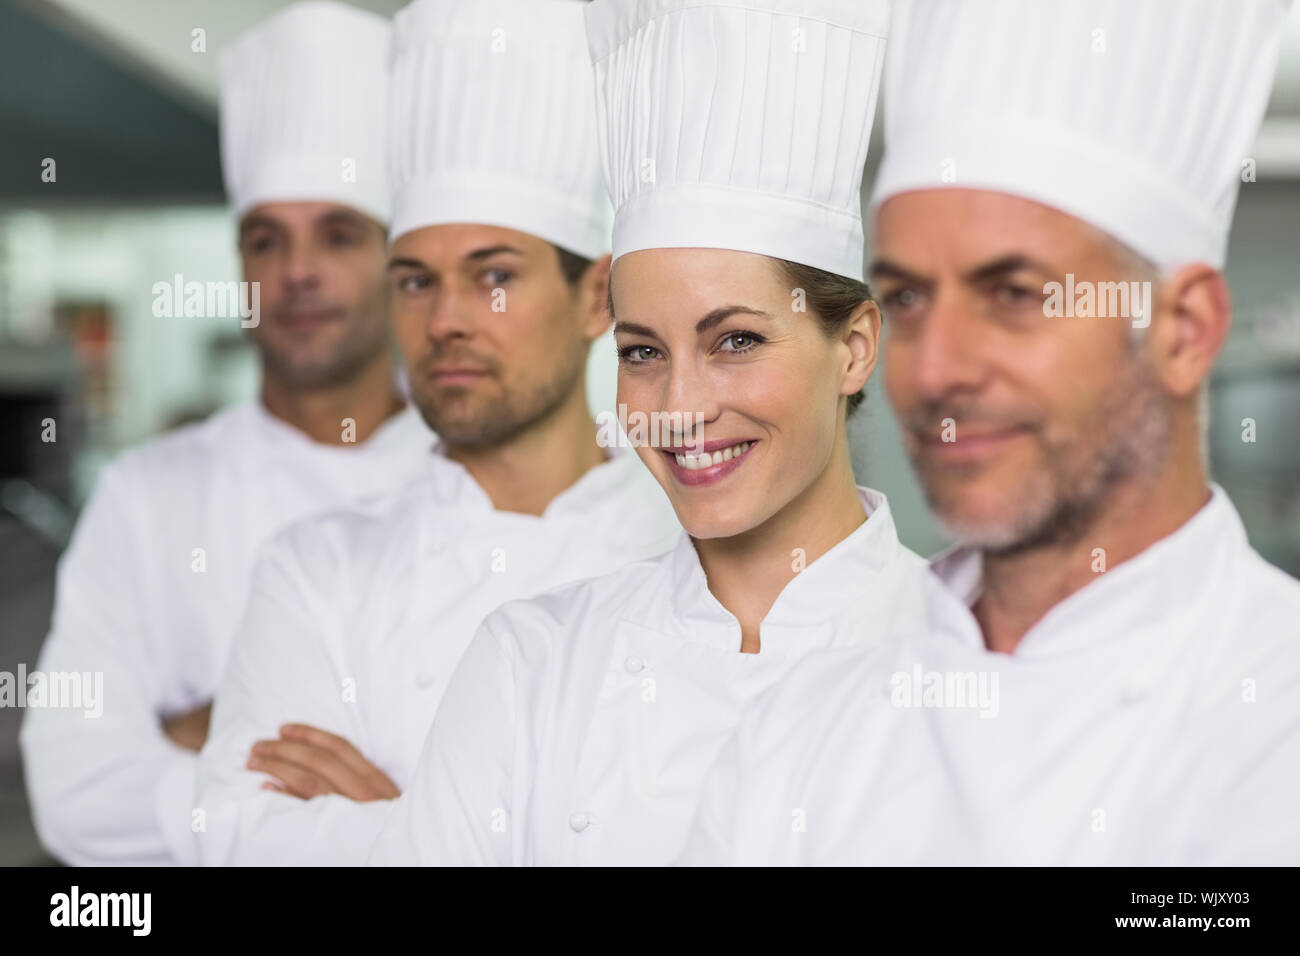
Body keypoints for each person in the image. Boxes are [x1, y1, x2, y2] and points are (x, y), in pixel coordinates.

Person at [684, 0, 1300, 866]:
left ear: (1184, 329)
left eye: (1014, 295)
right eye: (907, 298)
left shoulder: (1275, 711)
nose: (937, 370)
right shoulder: (797, 734)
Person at [366, 0, 941, 867]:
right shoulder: (532, 662)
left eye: (735, 340)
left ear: (854, 348)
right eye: (643, 352)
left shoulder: (970, 658)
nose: (680, 403)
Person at [194, 0, 680, 866]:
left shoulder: (691, 559)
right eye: (415, 281)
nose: (448, 319)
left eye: (493, 275)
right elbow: (237, 840)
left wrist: (401, 821)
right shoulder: (317, 570)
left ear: (598, 297)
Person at [19, 1, 435, 866]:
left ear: (399, 260)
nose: (298, 273)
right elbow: (73, 795)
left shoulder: (472, 481)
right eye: (264, 240)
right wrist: (364, 802)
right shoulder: (149, 495)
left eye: (338, 234)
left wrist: (213, 731)